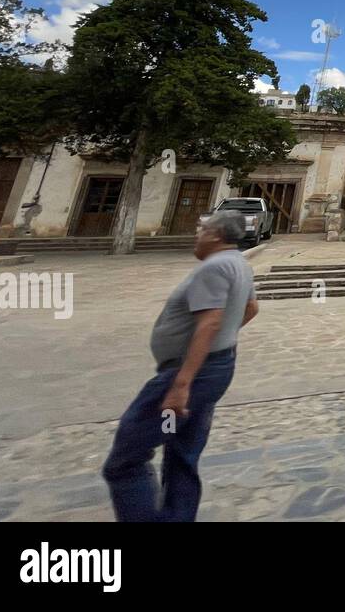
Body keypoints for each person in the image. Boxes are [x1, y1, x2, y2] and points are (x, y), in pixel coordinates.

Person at [101, 209, 259, 522]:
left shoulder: (214, 268)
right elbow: (251, 309)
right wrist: (222, 341)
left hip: (188, 379)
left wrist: (181, 384)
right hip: (213, 371)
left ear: (215, 235)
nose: (196, 234)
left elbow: (210, 321)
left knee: (125, 461)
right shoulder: (239, 263)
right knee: (181, 450)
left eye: (201, 228)